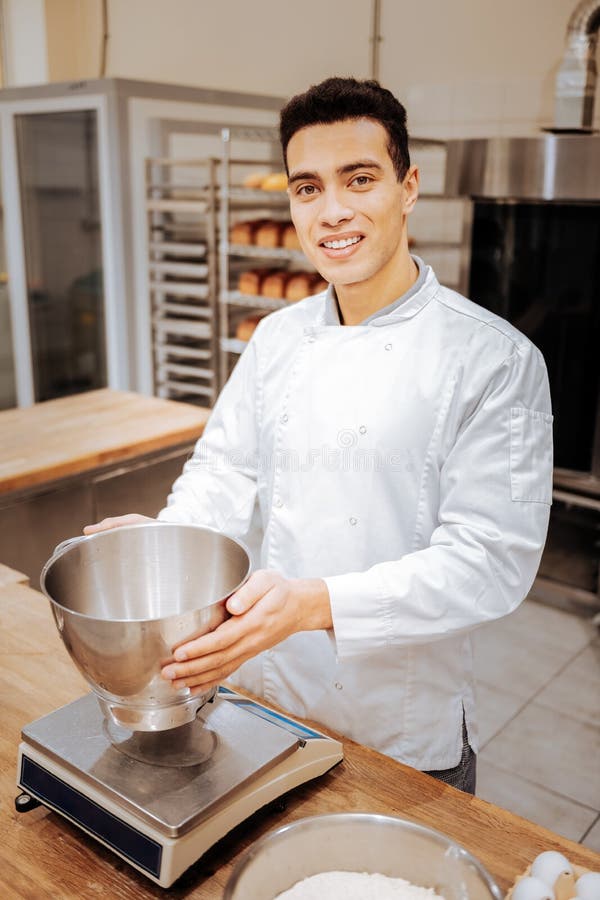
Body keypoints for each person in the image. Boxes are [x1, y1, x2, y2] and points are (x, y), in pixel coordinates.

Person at [86, 77, 553, 794]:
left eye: (359, 179)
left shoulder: (494, 359)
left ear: (408, 187)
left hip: (399, 725)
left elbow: (489, 563)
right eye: (308, 188)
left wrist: (315, 604)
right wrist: (163, 549)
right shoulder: (278, 336)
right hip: (266, 702)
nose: (332, 211)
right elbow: (223, 474)